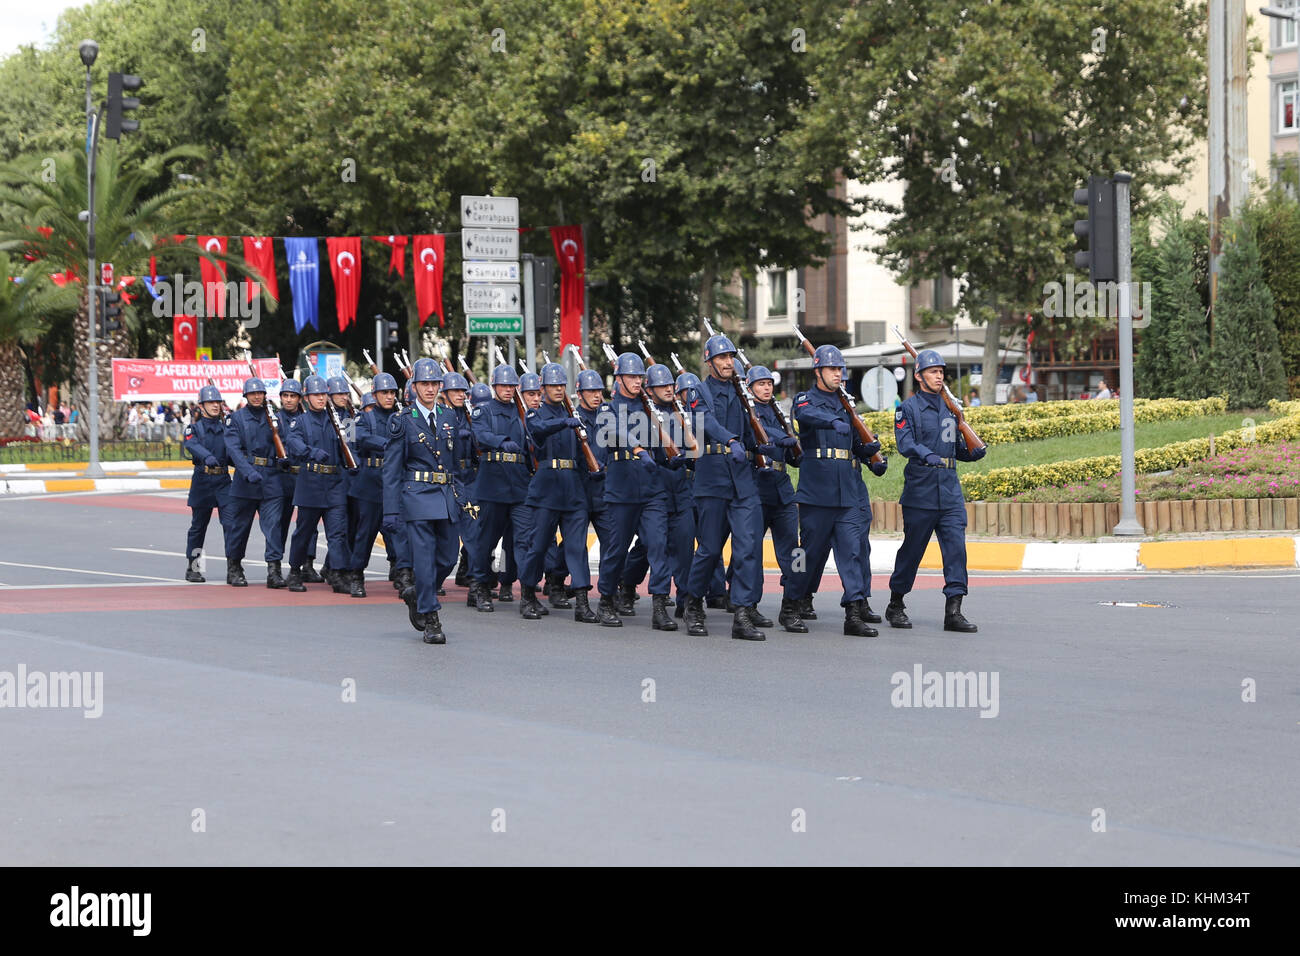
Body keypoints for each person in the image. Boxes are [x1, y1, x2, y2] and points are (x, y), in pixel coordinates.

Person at [886, 349, 985, 632]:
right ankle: (896, 603)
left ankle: (953, 610)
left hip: (950, 492)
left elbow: (954, 448)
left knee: (956, 550)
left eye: (941, 371)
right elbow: (905, 444)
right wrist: (924, 454)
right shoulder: (908, 409)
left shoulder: (951, 411)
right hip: (921, 491)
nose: (939, 375)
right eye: (932, 371)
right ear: (919, 376)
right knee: (912, 551)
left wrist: (971, 451)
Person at [790, 345, 883, 637]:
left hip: (846, 491)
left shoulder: (847, 406)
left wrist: (869, 452)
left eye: (840, 369)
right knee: (807, 554)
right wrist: (831, 420)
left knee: (852, 551)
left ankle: (853, 613)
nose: (837, 374)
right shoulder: (805, 400)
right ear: (818, 371)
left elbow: (854, 442)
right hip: (817, 490)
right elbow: (805, 416)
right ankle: (792, 603)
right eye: (832, 369)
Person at [681, 334, 766, 641]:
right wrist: (730, 440)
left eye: (731, 357)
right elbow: (704, 422)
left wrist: (771, 443)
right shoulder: (698, 392)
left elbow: (755, 427)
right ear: (710, 362)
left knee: (746, 548)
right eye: (721, 358)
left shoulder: (743, 393)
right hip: (713, 479)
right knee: (709, 550)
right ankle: (693, 605)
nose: (728, 362)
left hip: (742, 481)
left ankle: (741, 615)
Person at [593, 353, 678, 628]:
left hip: (652, 489)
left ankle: (659, 606)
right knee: (616, 550)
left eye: (640, 377)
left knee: (658, 546)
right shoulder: (607, 410)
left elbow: (667, 445)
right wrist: (637, 448)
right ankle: (606, 600)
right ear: (618, 379)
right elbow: (614, 431)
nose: (637, 381)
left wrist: (677, 456)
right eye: (631, 376)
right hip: (621, 489)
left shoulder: (651, 411)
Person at [383, 358, 460, 644]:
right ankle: (431, 616)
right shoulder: (402, 421)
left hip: (445, 495)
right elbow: (391, 469)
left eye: (434, 384)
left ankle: (418, 593)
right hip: (416, 498)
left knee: (449, 557)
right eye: (424, 384)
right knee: (425, 560)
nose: (429, 389)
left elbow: (456, 464)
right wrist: (391, 510)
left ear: (441, 386)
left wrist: (463, 498)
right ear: (414, 386)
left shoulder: (449, 417)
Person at [518, 362, 599, 623]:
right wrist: (564, 422)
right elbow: (537, 432)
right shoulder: (536, 414)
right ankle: (528, 593)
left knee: (577, 547)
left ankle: (583, 601)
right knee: (538, 545)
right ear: (542, 388)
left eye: (561, 385)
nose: (557, 389)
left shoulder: (575, 414)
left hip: (573, 488)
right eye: (553, 386)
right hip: (547, 487)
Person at [745, 365, 806, 633]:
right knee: (751, 553)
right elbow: (762, 436)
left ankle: (792, 604)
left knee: (796, 552)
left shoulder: (780, 413)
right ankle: (749, 606)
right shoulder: (748, 413)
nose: (766, 388)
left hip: (782, 490)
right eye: (760, 384)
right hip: (756, 488)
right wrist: (784, 438)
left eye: (769, 383)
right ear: (750, 388)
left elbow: (791, 455)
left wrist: (797, 451)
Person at [467, 365, 532, 612]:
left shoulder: (523, 412)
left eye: (511, 386)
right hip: (493, 483)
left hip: (519, 485)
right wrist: (501, 441)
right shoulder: (484, 411)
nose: (508, 390)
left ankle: (527, 593)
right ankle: (481, 587)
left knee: (524, 541)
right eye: (503, 386)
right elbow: (479, 435)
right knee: (486, 541)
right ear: (494, 387)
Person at [283, 375, 356, 593]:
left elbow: (352, 444)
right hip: (311, 483)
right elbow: (292, 442)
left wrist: (355, 463)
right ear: (306, 398)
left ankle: (339, 572)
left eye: (324, 394)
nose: (321, 398)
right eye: (316, 395)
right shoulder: (300, 421)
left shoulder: (340, 419)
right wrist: (310, 452)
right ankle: (295, 570)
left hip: (335, 483)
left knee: (338, 532)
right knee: (304, 532)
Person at [222, 377, 286, 588]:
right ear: (246, 396)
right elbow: (233, 449)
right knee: (239, 528)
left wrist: (287, 459)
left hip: (271, 478)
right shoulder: (236, 419)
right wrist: (248, 472)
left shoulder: (273, 417)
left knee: (274, 527)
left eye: (260, 393)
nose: (257, 396)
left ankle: (274, 570)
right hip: (245, 481)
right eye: (252, 393)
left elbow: (285, 441)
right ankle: (234, 568)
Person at [349, 376, 405, 600]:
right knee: (366, 533)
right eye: (385, 393)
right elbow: (355, 438)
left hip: (394, 481)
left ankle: (403, 573)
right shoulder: (362, 417)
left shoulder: (402, 417)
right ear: (375, 395)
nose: (390, 396)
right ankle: (356, 575)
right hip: (370, 481)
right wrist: (385, 444)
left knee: (399, 533)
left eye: (392, 392)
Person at [180, 385, 232, 582]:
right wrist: (207, 456)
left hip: (223, 481)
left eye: (217, 402)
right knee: (199, 527)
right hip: (203, 479)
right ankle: (193, 567)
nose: (215, 406)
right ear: (201, 406)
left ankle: (233, 567)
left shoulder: (227, 428)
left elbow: (234, 451)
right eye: (210, 402)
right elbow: (191, 444)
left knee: (231, 525)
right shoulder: (194, 429)